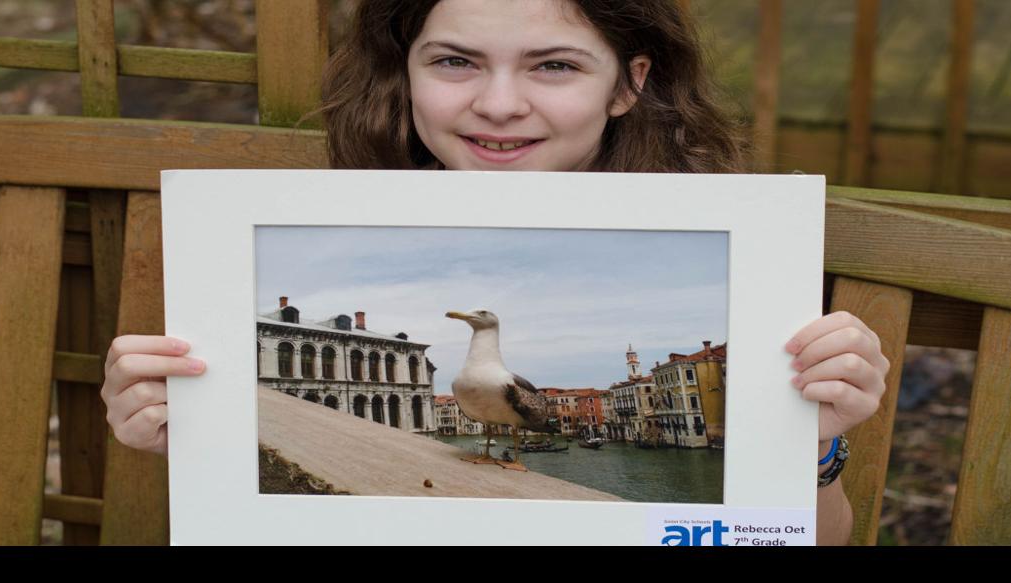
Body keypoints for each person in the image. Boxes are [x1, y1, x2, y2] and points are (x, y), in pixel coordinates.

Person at [100, 0, 889, 546]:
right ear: (403, 73)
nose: (499, 104)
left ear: (628, 84)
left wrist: (808, 445)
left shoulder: (750, 258)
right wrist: (196, 429)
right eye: (454, 61)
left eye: (552, 65)